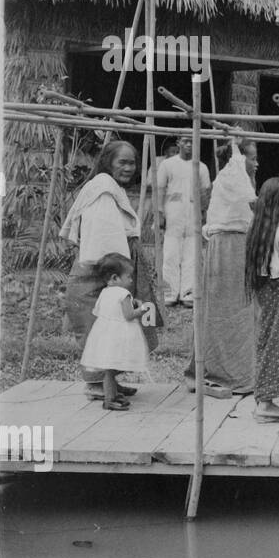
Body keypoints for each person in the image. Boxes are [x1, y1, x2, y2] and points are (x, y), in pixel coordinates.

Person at [60, 140, 161, 400]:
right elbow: (103, 239)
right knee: (99, 328)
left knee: (118, 330)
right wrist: (115, 280)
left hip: (111, 270)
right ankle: (96, 384)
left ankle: (109, 381)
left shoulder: (110, 187)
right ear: (108, 162)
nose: (129, 168)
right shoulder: (103, 190)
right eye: (123, 162)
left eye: (132, 163)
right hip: (99, 274)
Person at [184, 139, 259, 397]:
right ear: (239, 159)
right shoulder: (231, 176)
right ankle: (218, 372)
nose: (256, 163)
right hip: (228, 249)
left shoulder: (239, 179)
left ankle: (235, 370)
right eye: (252, 158)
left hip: (236, 246)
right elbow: (253, 202)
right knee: (226, 309)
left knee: (240, 311)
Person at [246, 177, 279, 421]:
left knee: (267, 340)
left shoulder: (259, 227)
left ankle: (264, 398)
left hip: (265, 288)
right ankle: (266, 404)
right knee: (276, 344)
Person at [79, 253, 151, 410]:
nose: (131, 280)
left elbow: (98, 312)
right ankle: (109, 399)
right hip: (120, 336)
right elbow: (129, 315)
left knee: (110, 367)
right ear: (115, 278)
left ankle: (113, 393)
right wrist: (143, 308)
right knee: (112, 369)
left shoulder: (105, 292)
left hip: (105, 334)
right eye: (128, 277)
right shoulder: (123, 294)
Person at [156, 134, 211, 307]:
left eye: (192, 142)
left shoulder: (201, 167)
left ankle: (188, 292)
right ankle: (170, 292)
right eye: (185, 141)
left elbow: (205, 193)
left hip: (193, 215)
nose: (189, 145)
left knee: (192, 254)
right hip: (173, 213)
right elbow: (160, 189)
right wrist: (159, 212)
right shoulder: (167, 164)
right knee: (171, 254)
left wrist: (204, 214)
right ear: (179, 142)